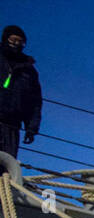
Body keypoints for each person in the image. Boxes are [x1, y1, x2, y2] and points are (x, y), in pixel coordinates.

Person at [0, 25, 39, 159]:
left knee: (7, 164)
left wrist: (31, 128)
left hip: (12, 124)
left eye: (20, 42)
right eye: (13, 40)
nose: (16, 44)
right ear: (5, 39)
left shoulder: (29, 70)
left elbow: (34, 102)